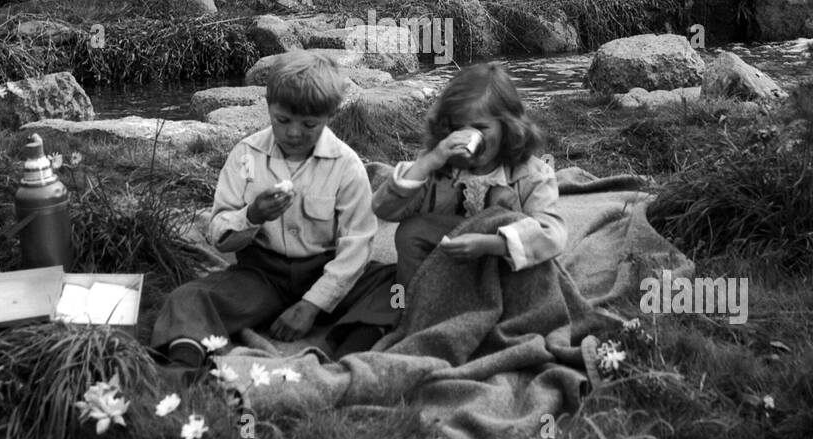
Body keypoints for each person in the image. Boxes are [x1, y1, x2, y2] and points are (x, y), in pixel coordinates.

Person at [151, 52, 379, 374]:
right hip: (262, 276)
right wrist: (252, 216)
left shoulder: (347, 166)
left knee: (394, 287)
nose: (294, 133)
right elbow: (219, 236)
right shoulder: (247, 155)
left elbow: (358, 242)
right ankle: (183, 368)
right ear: (268, 104)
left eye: (309, 125)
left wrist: (313, 305)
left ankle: (343, 356)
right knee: (189, 297)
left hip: (324, 270)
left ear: (330, 114)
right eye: (283, 120)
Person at [372, 62, 567, 296]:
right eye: (457, 128)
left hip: (505, 269)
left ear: (507, 127)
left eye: (481, 128)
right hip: (447, 270)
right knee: (410, 231)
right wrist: (429, 161)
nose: (467, 137)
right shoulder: (439, 166)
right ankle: (413, 305)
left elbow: (553, 234)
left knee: (514, 225)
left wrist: (492, 244)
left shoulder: (532, 174)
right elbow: (383, 210)